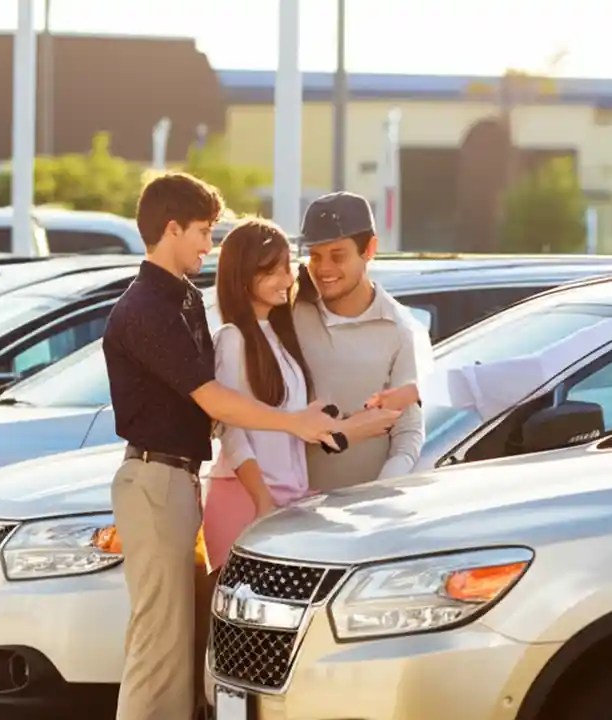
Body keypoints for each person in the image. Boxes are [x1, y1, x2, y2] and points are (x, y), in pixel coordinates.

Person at [102, 173, 395, 720]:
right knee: (159, 642)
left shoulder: (182, 300)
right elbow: (215, 402)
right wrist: (293, 425)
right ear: (171, 228)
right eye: (202, 231)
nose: (207, 245)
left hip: (177, 480)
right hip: (155, 479)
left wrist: (334, 425)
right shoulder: (145, 308)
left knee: (177, 642)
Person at [201, 218, 398, 569]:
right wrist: (262, 501)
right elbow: (232, 431)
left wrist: (354, 424)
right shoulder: (233, 339)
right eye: (273, 271)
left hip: (287, 500)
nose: (288, 280)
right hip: (247, 501)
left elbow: (294, 426)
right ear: (244, 274)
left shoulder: (279, 336)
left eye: (288, 268)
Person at [292, 191, 434, 493]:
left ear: (369, 249)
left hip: (362, 512)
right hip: (287, 506)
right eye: (316, 256)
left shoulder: (400, 329)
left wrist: (379, 491)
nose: (324, 268)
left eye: (337, 255)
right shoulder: (290, 316)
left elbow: (408, 429)